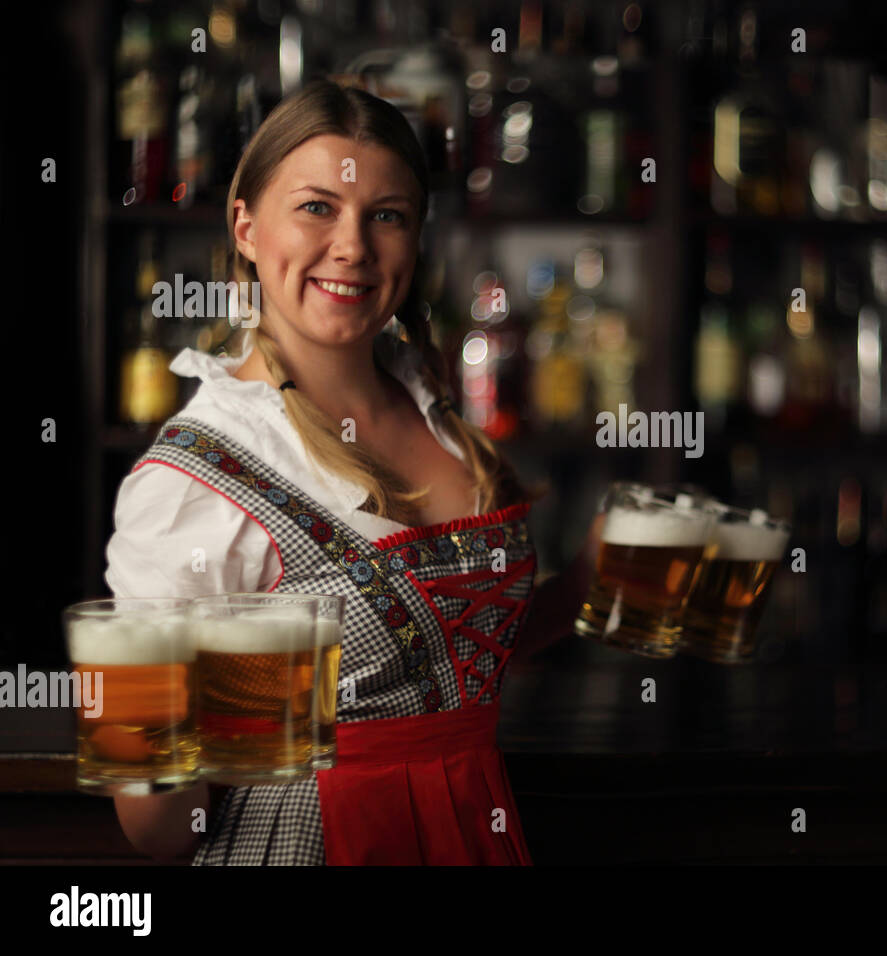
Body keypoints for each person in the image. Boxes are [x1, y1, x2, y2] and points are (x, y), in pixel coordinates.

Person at [106, 79, 601, 865]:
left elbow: (436, 664)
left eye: (387, 216)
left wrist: (585, 585)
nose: (352, 247)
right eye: (316, 207)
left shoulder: (424, 394)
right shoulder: (192, 479)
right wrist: (159, 722)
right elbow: (159, 832)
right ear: (245, 225)